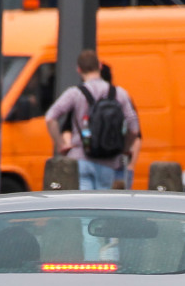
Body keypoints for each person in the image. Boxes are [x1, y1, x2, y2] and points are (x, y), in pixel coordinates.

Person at [44, 50, 141, 190]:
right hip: (109, 161)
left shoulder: (75, 93)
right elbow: (134, 127)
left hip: (81, 159)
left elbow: (50, 117)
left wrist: (60, 144)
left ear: (79, 69)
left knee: (84, 205)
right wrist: (124, 149)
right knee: (102, 206)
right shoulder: (119, 93)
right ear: (100, 66)